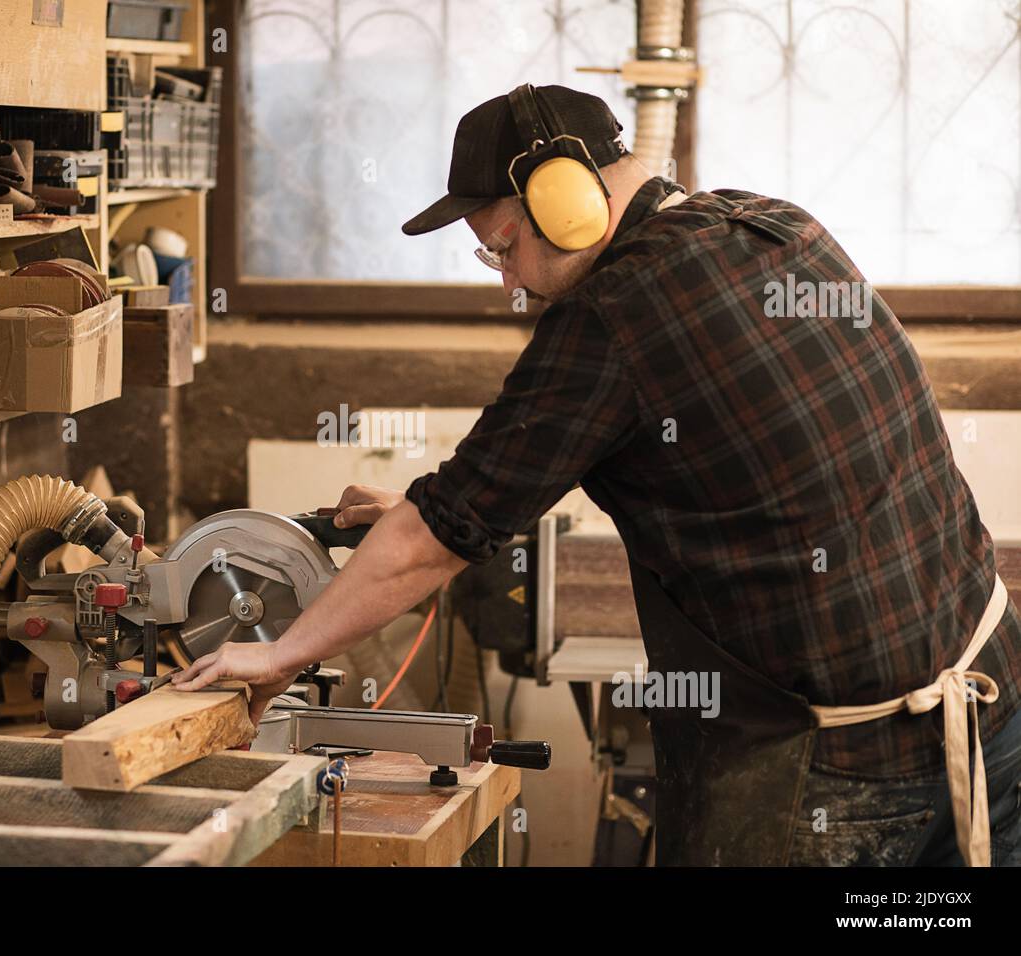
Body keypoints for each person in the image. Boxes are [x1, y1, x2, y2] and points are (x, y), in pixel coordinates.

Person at [175, 84, 1021, 866]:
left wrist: (281, 656)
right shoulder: (770, 224)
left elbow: (441, 539)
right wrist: (423, 512)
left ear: (566, 201)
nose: (506, 280)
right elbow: (705, 439)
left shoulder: (608, 320)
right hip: (992, 692)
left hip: (841, 770)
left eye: (502, 247)